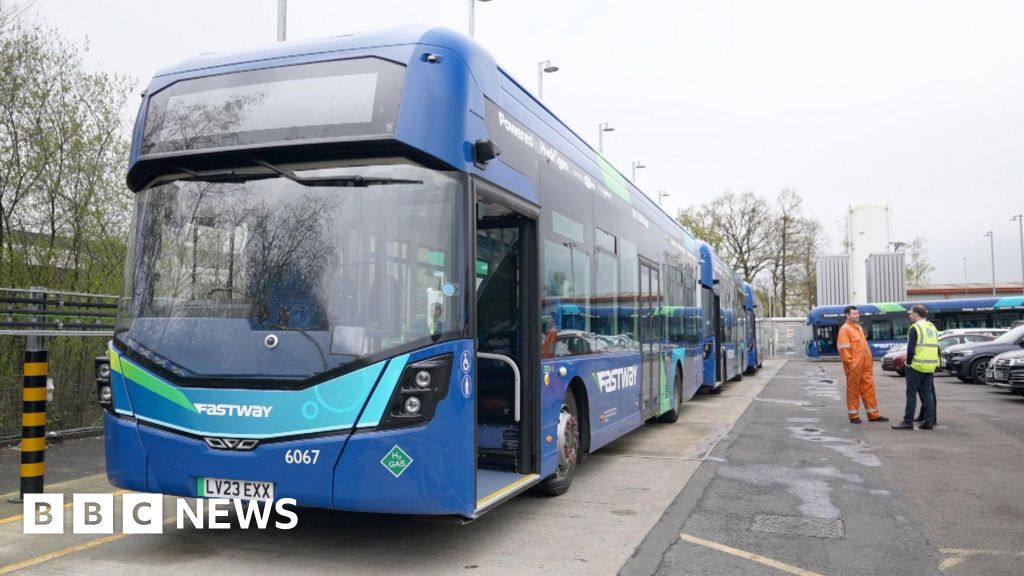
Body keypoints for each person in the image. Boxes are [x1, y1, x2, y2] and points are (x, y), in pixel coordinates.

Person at [837, 305, 889, 423]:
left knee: (869, 389)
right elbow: (844, 350)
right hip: (854, 366)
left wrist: (868, 361)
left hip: (865, 366)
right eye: (854, 313)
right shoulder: (845, 329)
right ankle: (853, 416)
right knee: (853, 391)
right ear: (847, 315)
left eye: (857, 313)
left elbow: (863, 347)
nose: (857, 315)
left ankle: (873, 415)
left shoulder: (858, 328)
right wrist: (851, 365)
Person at [893, 304, 938, 430]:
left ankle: (908, 421)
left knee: (911, 394)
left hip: (916, 366)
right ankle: (928, 421)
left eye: (910, 313)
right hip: (930, 366)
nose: (909, 315)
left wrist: (908, 363)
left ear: (916, 314)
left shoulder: (915, 328)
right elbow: (937, 347)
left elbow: (911, 349)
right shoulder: (932, 327)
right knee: (928, 393)